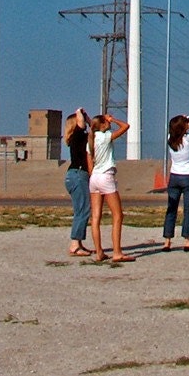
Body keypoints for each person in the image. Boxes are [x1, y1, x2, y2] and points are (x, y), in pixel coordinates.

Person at [88, 112, 135, 263]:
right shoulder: (104, 136)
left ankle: (99, 252)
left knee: (96, 217)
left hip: (94, 177)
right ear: (102, 125)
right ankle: (117, 252)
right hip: (105, 176)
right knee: (118, 215)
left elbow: (89, 160)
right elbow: (126, 126)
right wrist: (113, 120)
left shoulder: (91, 139)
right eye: (106, 121)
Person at [162, 114, 189, 251]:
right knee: (188, 209)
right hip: (188, 176)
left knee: (171, 209)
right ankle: (187, 241)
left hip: (174, 176)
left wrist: (183, 122)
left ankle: (167, 241)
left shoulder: (170, 139)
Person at [63, 108, 92, 256]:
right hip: (78, 175)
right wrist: (82, 113)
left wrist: (87, 120)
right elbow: (83, 122)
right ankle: (75, 244)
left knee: (80, 210)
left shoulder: (76, 138)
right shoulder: (77, 135)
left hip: (74, 175)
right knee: (83, 209)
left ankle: (79, 242)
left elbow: (95, 128)